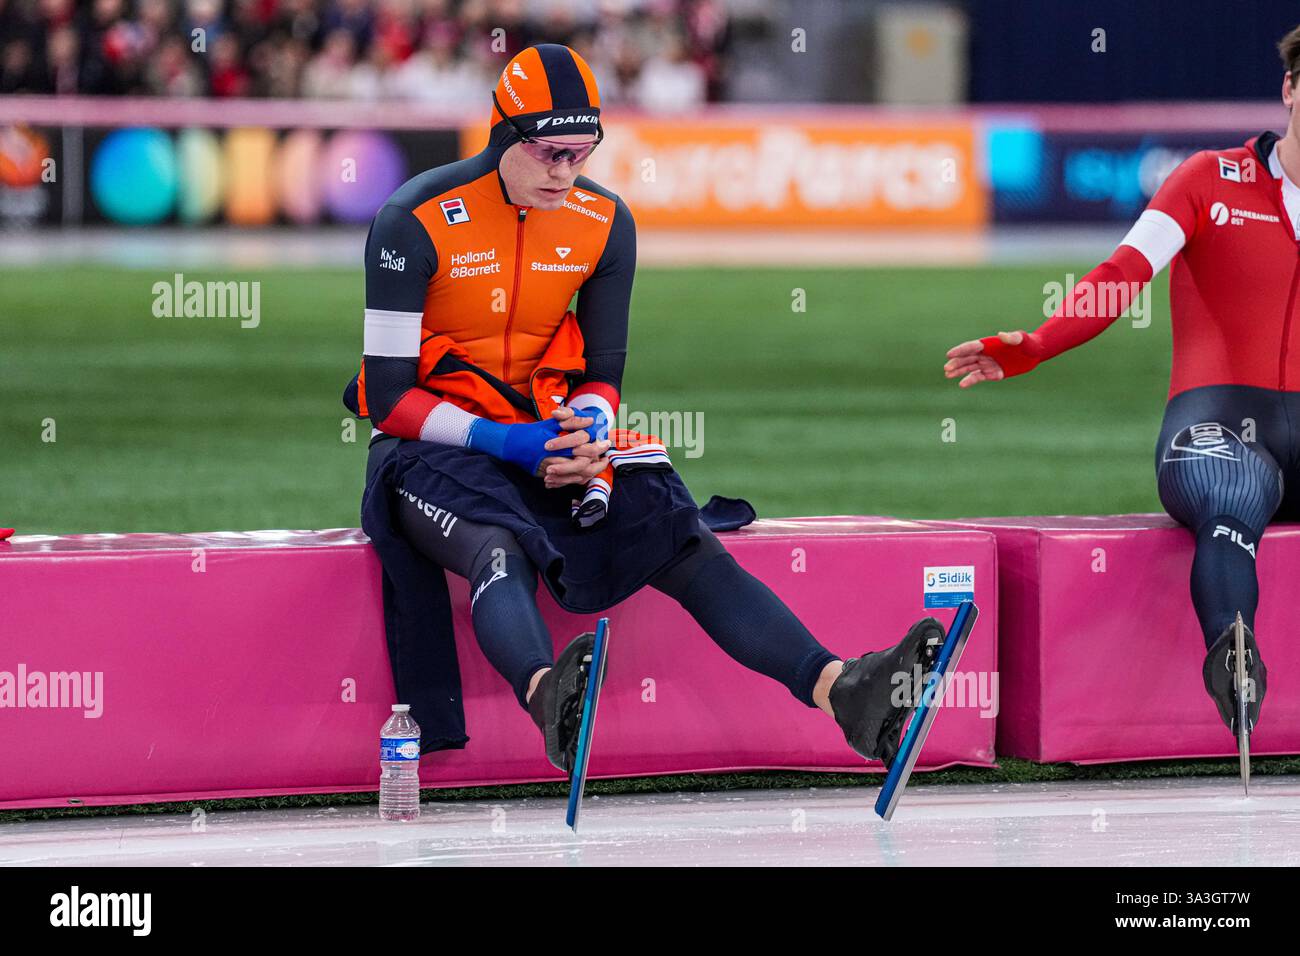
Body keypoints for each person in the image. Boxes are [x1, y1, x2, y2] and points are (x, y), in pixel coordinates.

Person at [345, 42, 940, 771]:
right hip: (431, 446)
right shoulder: (413, 220)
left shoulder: (604, 222)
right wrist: (512, 446)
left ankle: (843, 690)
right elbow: (390, 399)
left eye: (584, 151)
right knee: (498, 544)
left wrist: (585, 433)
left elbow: (602, 375)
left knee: (679, 533)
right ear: (505, 133)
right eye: (550, 152)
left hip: (548, 436)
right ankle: (547, 698)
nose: (567, 171)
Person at [944, 24, 1300, 741]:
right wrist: (1037, 344)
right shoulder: (1208, 177)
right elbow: (1123, 276)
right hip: (1218, 429)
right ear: (1291, 89)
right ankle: (1234, 660)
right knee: (1230, 493)